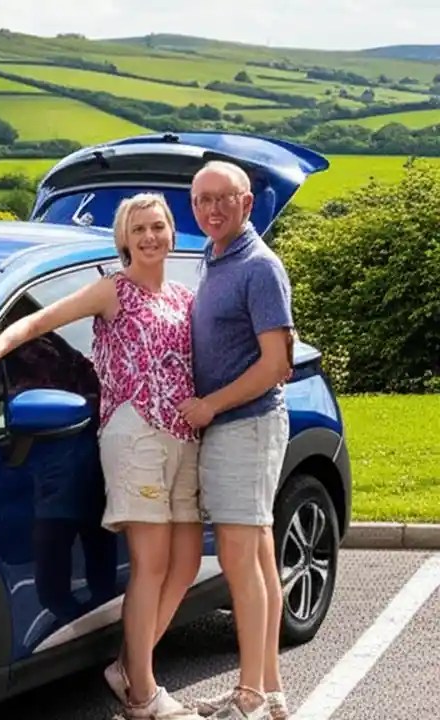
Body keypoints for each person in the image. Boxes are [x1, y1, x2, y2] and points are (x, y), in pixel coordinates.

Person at [0, 192, 202, 719]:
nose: (150, 237)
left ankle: (129, 666)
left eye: (158, 227)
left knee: (188, 561)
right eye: (139, 230)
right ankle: (143, 694)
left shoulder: (182, 297)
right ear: (124, 239)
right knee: (151, 565)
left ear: (172, 232)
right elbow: (39, 323)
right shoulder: (113, 291)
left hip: (184, 436)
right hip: (134, 434)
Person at [176, 160, 295, 720]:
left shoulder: (259, 267)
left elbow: (276, 363)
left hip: (244, 426)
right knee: (260, 559)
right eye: (202, 200)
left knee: (238, 560)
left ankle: (247, 694)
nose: (212, 210)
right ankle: (267, 691)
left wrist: (209, 405)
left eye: (224, 199)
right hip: (234, 427)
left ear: (248, 204)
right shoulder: (212, 257)